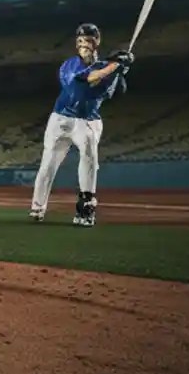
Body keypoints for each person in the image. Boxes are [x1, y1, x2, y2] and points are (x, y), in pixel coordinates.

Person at [29, 23, 133, 227]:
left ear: (97, 42)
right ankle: (37, 207)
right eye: (80, 39)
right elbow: (84, 84)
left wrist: (123, 69)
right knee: (48, 164)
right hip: (60, 120)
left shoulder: (105, 67)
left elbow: (116, 92)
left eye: (88, 39)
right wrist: (113, 66)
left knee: (89, 156)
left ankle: (86, 205)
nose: (84, 43)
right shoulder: (69, 66)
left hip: (87, 120)